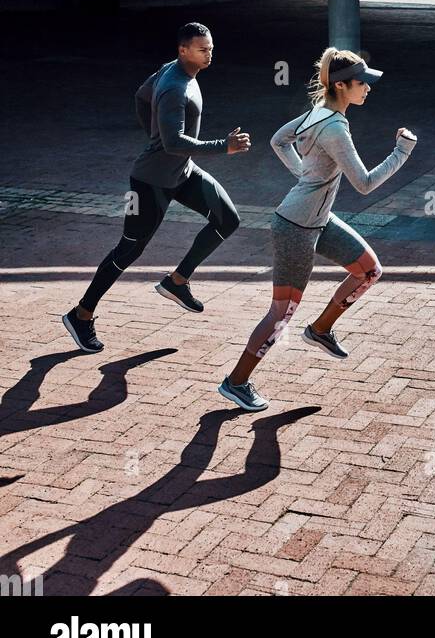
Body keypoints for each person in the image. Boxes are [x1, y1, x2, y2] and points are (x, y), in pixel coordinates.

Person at [218, 47, 416, 412]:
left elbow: (279, 139)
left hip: (317, 220)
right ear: (342, 86)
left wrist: (303, 176)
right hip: (295, 227)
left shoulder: (319, 112)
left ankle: (320, 330)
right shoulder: (335, 127)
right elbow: (365, 184)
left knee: (369, 271)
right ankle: (236, 382)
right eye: (363, 83)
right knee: (282, 312)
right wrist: (401, 152)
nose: (368, 88)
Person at [63, 22, 251, 354]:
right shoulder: (175, 87)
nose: (210, 54)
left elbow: (140, 96)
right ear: (183, 50)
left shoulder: (174, 70)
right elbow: (175, 142)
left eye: (210, 48)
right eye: (202, 49)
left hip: (182, 173)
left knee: (227, 219)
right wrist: (225, 146)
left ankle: (177, 281)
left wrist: (152, 133)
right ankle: (81, 314)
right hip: (149, 182)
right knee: (129, 250)